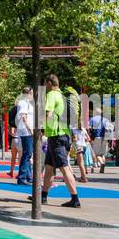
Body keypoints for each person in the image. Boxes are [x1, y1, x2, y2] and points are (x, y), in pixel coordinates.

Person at [34, 74, 81, 208]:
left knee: (64, 167)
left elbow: (48, 114)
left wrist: (41, 128)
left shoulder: (51, 95)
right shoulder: (62, 96)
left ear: (49, 83)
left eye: (45, 83)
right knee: (49, 167)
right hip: (63, 135)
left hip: (57, 136)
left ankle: (75, 198)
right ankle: (43, 196)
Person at [14, 86, 35, 187]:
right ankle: (22, 177)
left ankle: (28, 176)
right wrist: (30, 129)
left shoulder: (26, 103)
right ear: (29, 93)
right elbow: (23, 116)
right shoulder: (23, 102)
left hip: (26, 130)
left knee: (28, 153)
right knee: (27, 154)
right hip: (26, 131)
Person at [88, 106, 108, 174]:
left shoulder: (92, 119)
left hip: (97, 137)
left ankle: (101, 163)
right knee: (102, 154)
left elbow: (89, 128)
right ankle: (103, 166)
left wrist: (89, 136)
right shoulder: (105, 119)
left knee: (96, 154)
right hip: (105, 138)